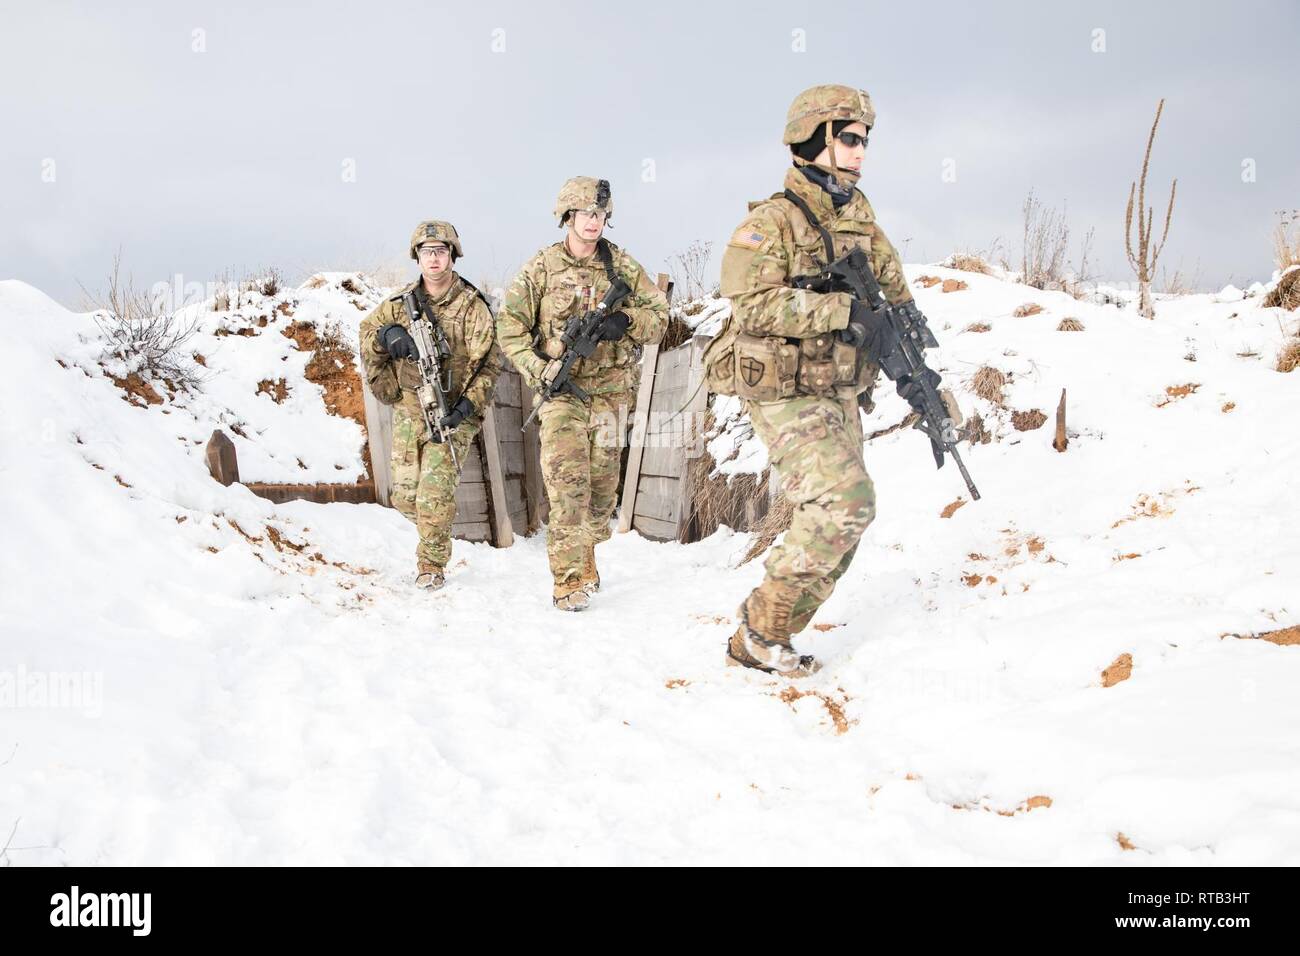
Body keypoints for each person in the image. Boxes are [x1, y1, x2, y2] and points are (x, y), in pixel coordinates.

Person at [715, 84, 941, 676]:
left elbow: (894, 302)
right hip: (785, 390)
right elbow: (750, 303)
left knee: (854, 515)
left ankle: (767, 633)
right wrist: (839, 311)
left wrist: (920, 379)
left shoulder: (860, 219)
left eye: (864, 139)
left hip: (838, 387)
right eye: (848, 138)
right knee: (844, 502)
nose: (861, 150)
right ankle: (763, 626)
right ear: (814, 138)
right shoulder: (774, 221)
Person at [496, 177, 668, 610]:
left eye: (601, 214)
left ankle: (587, 558)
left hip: (610, 395)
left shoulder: (622, 267)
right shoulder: (542, 268)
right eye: (586, 213)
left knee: (601, 494)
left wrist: (625, 322)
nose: (594, 222)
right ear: (568, 216)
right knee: (567, 487)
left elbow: (660, 317)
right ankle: (567, 582)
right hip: (561, 396)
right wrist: (539, 368)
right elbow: (509, 329)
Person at [358, 220, 501, 588]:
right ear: (417, 257)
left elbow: (489, 364)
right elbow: (367, 332)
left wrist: (466, 409)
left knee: (434, 496)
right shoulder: (398, 305)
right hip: (410, 408)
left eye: (440, 251)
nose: (434, 258)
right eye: (426, 252)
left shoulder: (473, 307)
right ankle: (434, 529)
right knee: (406, 498)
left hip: (452, 413)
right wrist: (389, 334)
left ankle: (430, 566)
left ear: (452, 255)